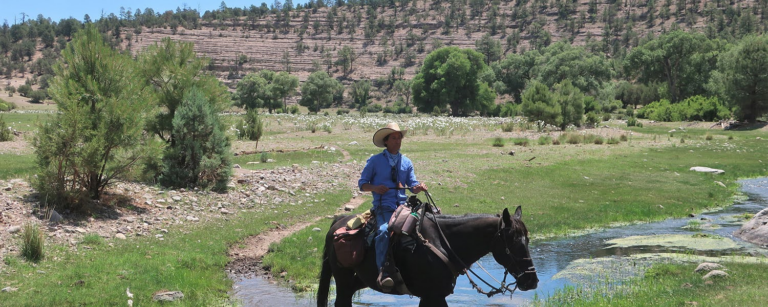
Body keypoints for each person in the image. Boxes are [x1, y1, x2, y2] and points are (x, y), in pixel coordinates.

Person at [358, 122, 427, 292]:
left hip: (403, 207)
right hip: (384, 207)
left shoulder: (406, 162)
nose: (397, 141)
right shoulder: (374, 161)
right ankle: (383, 271)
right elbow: (362, 184)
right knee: (383, 231)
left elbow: (412, 185)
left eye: (399, 138)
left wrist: (417, 187)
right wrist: (375, 188)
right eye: (394, 138)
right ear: (386, 141)